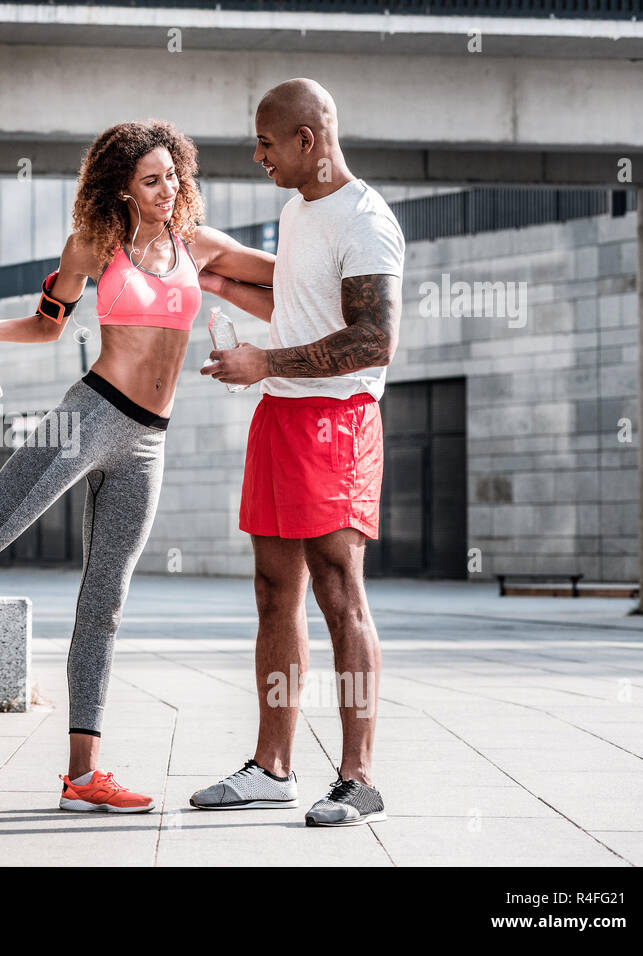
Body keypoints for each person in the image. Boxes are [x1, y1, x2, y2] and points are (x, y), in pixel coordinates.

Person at [0, 120, 274, 813]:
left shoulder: (195, 245)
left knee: (105, 604)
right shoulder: (95, 245)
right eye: (151, 180)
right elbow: (48, 321)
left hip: (149, 440)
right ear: (122, 186)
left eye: (172, 175)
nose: (167, 189)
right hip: (87, 413)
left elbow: (277, 276)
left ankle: (83, 778)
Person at [193, 79, 405, 827]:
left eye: (266, 143)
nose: (259, 157)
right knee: (271, 590)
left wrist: (264, 363)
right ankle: (273, 767)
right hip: (281, 418)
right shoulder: (297, 209)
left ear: (307, 141)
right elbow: (298, 304)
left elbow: (373, 339)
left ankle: (358, 778)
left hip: (336, 420)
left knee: (338, 591)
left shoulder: (367, 220)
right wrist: (221, 283)